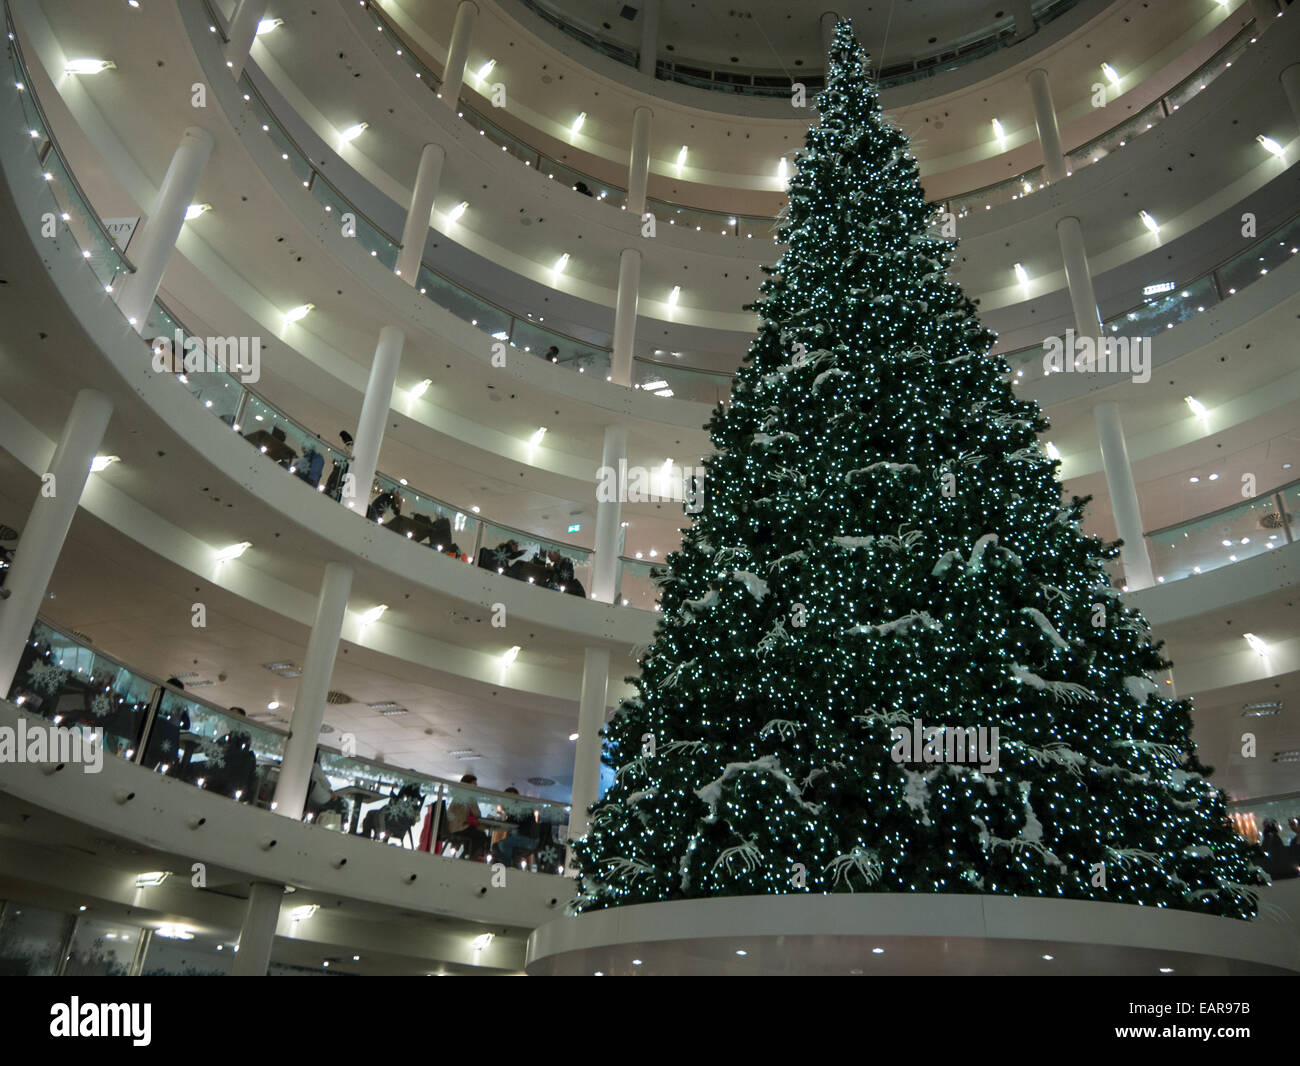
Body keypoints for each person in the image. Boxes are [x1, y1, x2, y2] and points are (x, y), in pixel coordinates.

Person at [492, 786, 539, 868]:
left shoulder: (521, 808)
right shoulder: (515, 808)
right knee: (495, 846)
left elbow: (513, 823)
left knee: (503, 844)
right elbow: (511, 823)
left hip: (528, 839)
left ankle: (508, 865)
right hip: (523, 838)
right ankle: (505, 864)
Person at [445, 774, 488, 859]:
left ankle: (466, 855)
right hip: (460, 827)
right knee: (481, 836)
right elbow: (477, 814)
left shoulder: (458, 795)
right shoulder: (468, 797)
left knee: (474, 834)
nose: (475, 787)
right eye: (474, 785)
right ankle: (467, 856)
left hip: (454, 827)